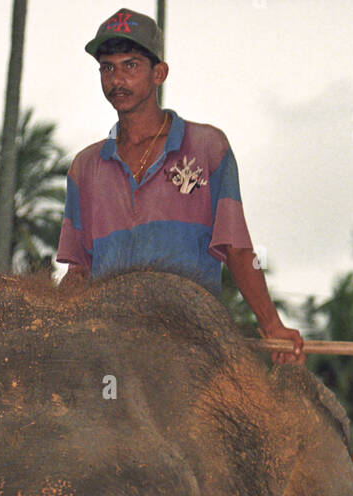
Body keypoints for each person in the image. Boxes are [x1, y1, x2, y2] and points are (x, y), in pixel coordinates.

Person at [58, 10, 305, 365]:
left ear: (159, 73)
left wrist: (272, 326)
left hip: (191, 344)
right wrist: (52, 331)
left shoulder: (207, 148)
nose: (117, 80)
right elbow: (79, 271)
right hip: (110, 349)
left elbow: (236, 247)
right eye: (107, 68)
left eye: (130, 66)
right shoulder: (85, 168)